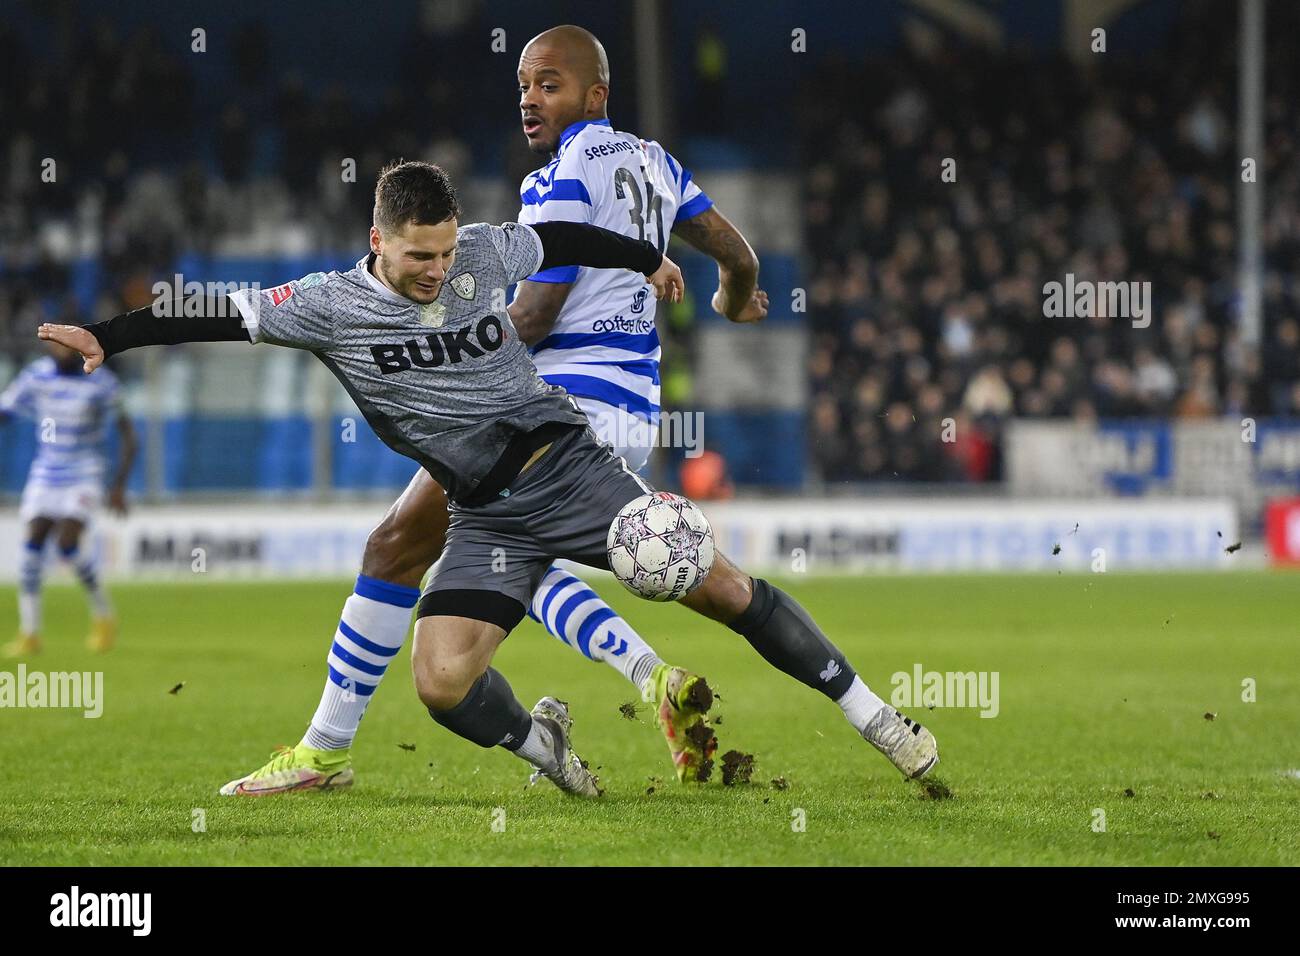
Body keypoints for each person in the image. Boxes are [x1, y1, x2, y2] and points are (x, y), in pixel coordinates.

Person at [43, 161, 939, 799]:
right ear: (376, 242)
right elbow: (210, 313)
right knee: (439, 686)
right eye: (417, 258)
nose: (438, 272)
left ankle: (877, 720)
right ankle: (539, 740)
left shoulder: (482, 252)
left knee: (720, 587)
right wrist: (107, 337)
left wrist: (647, 259)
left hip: (570, 469)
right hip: (484, 516)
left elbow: (562, 236)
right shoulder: (322, 305)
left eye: (444, 255)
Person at [1, 339, 136, 656]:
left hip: (84, 474)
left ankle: (104, 616)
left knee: (66, 544)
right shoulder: (36, 376)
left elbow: (129, 434)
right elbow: (5, 411)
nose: (61, 351)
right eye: (56, 345)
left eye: (68, 346)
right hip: (45, 473)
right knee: (32, 544)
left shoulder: (102, 382)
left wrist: (118, 486)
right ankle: (30, 633)